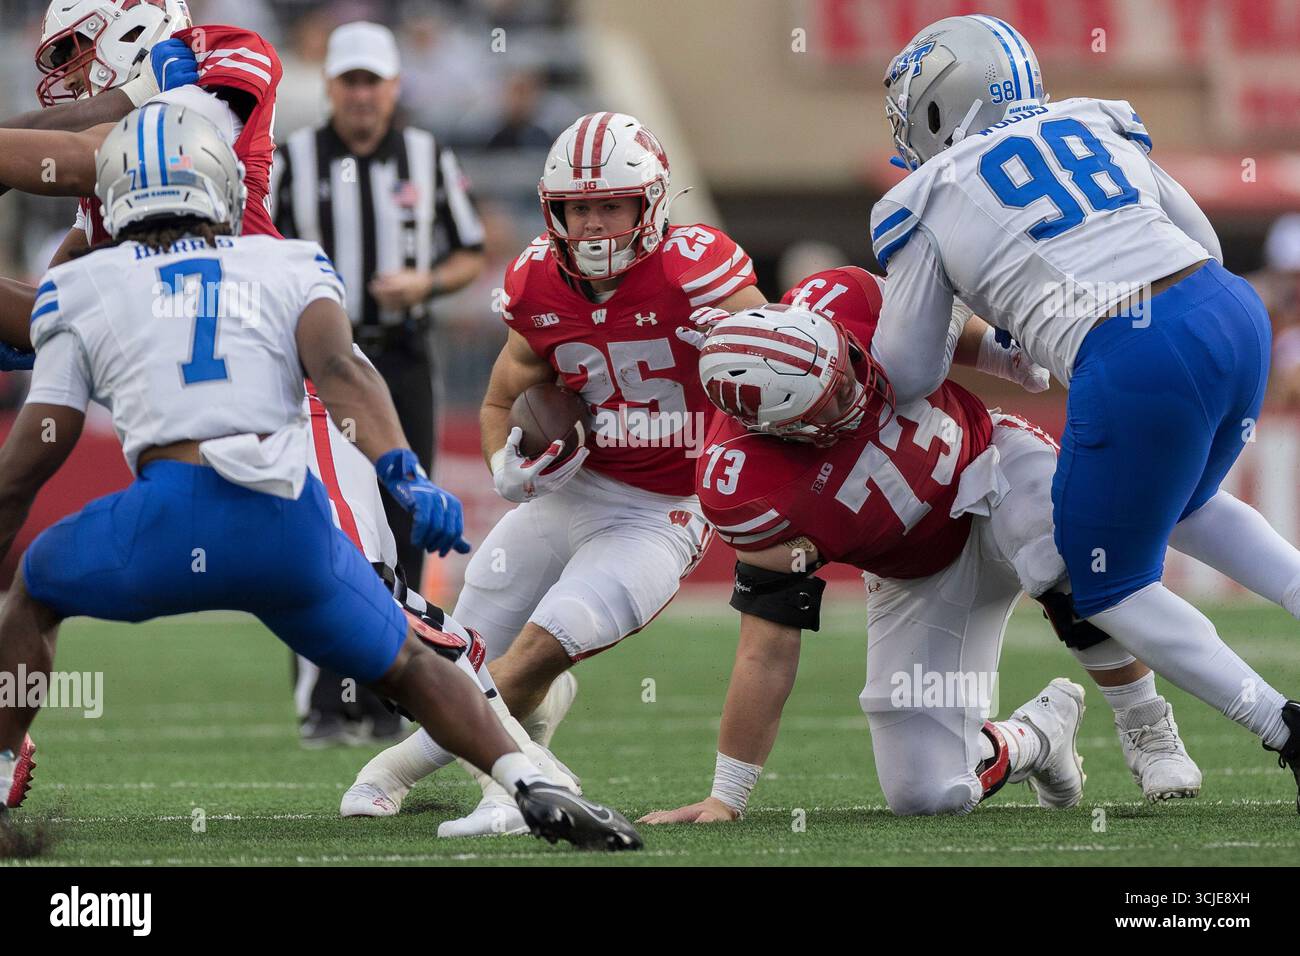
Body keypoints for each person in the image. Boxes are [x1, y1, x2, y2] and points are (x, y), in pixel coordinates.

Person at [0, 104, 640, 851]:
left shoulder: (81, 284)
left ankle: (3, 758)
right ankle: (527, 780)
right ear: (221, 185)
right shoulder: (286, 261)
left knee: (39, 588)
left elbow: (40, 448)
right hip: (285, 526)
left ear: (114, 192)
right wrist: (402, 471)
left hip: (166, 521)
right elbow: (340, 370)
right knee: (404, 661)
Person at [866, 14, 1300, 807]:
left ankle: (1286, 729)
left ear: (938, 107)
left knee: (1109, 587)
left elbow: (905, 372)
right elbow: (1197, 236)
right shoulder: (1093, 120)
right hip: (1230, 312)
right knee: (1190, 506)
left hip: (1134, 355)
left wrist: (1001, 310)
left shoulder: (928, 193)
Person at [641, 269, 1201, 824]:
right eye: (832, 402)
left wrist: (1007, 357)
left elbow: (936, 325)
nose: (854, 392)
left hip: (990, 469)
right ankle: (1039, 736)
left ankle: (1145, 725)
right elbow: (766, 649)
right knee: (927, 793)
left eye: (843, 371)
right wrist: (727, 796)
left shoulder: (844, 298)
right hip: (918, 573)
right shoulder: (750, 489)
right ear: (776, 430)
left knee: (1054, 553)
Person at [338, 111, 767, 835]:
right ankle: (530, 738)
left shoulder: (699, 270)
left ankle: (465, 782)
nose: (594, 224)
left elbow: (781, 367)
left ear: (650, 204)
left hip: (662, 508)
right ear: (554, 209)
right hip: (573, 490)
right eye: (579, 207)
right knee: (449, 654)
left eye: (611, 206)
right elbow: (504, 395)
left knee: (541, 644)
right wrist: (507, 464)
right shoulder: (538, 280)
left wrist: (739, 350)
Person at [273, 21, 486, 588]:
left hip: (401, 356)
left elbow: (471, 253)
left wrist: (426, 283)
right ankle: (321, 664)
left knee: (407, 508)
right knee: (319, 510)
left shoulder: (428, 156)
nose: (362, 93)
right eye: (351, 81)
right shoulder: (291, 160)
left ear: (394, 86)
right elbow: (259, 251)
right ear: (329, 85)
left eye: (373, 81)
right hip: (321, 364)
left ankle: (402, 657)